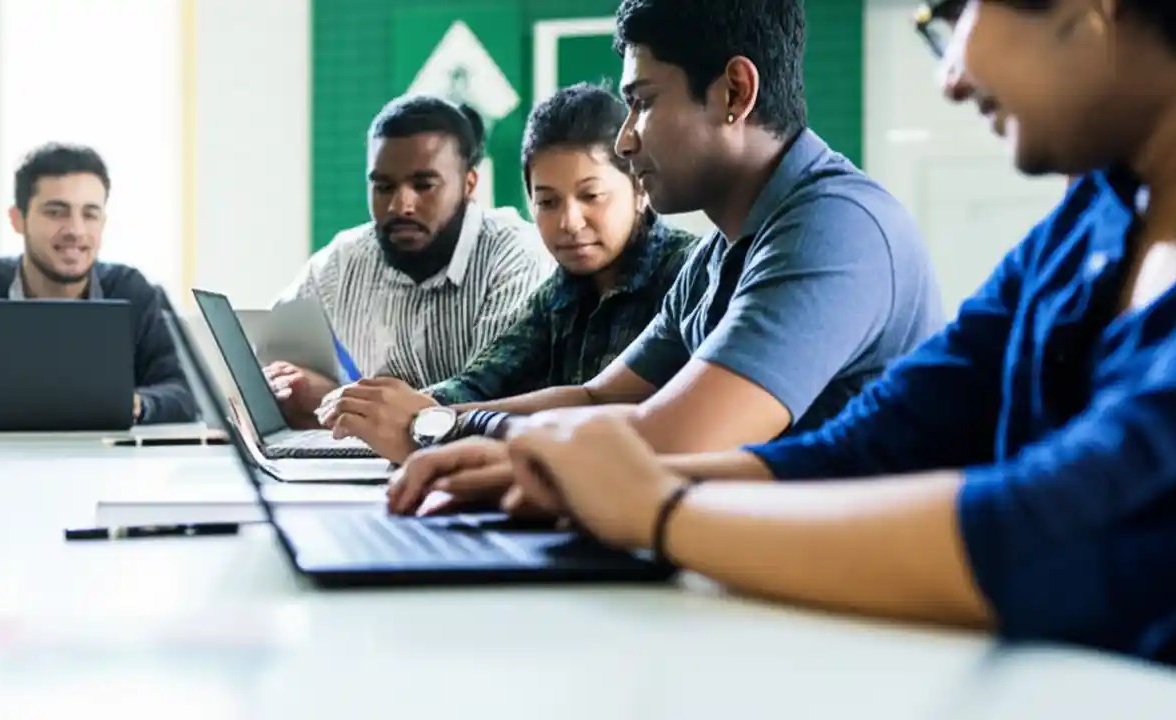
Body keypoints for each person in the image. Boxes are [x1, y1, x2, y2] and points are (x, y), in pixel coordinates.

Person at [406, 0, 1176, 666]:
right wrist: (570, 479)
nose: (950, 75)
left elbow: (1054, 535)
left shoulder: (837, 223)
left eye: (952, 15)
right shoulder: (1087, 224)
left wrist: (659, 510)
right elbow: (864, 449)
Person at [382, 0, 943, 503]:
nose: (627, 140)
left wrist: (449, 430)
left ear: (734, 93)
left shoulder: (834, 228)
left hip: (840, 601)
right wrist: (435, 417)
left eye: (642, 103)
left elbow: (673, 441)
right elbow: (595, 398)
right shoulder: (718, 257)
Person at [315, 84, 698, 462]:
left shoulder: (691, 275)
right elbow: (483, 380)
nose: (569, 221)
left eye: (590, 195)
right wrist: (404, 410)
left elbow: (609, 412)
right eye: (547, 201)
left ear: (638, 187)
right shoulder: (560, 294)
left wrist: (430, 420)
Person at [266, 95, 552, 429]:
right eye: (383, 187)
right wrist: (281, 385)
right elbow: (263, 348)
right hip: (373, 466)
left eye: (424, 185)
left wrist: (335, 400)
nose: (401, 205)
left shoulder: (516, 258)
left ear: (469, 184)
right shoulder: (345, 259)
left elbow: (485, 406)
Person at [0, 143, 196, 426]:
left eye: (90, 214)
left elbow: (185, 393)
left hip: (110, 464)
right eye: (56, 212)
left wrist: (137, 404)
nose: (75, 230)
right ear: (18, 219)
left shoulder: (134, 292)